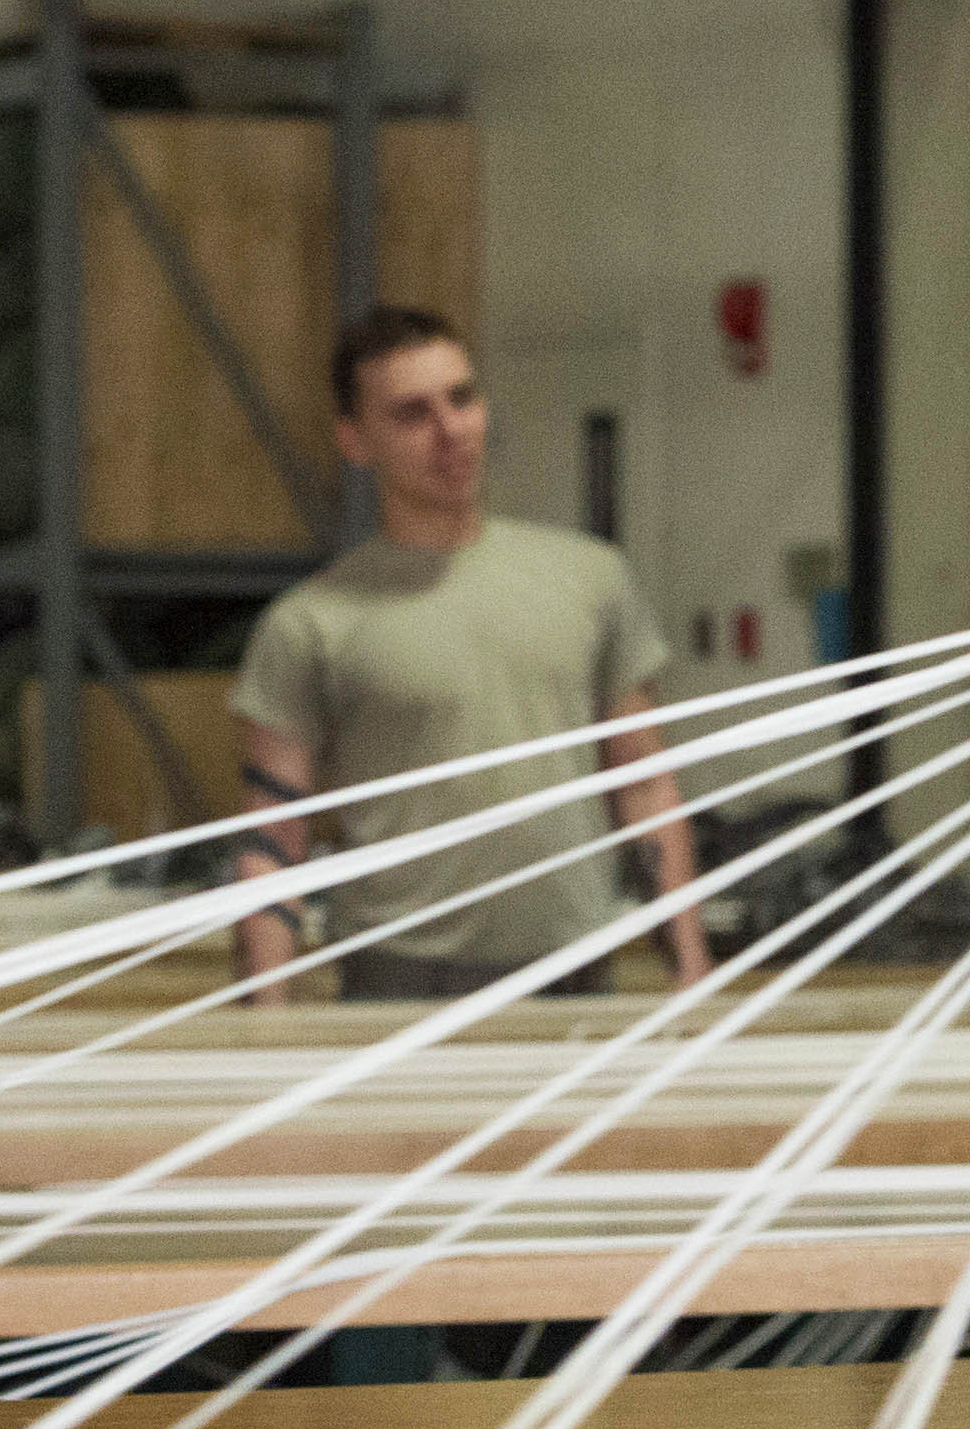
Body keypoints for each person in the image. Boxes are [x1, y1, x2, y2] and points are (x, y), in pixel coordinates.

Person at [230, 307, 711, 1004]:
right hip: (397, 978)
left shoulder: (589, 579)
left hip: (572, 968)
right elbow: (274, 835)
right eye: (411, 413)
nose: (449, 429)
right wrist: (264, 1011)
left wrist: (690, 966)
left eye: (462, 398)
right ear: (354, 441)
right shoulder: (312, 623)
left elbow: (643, 783)